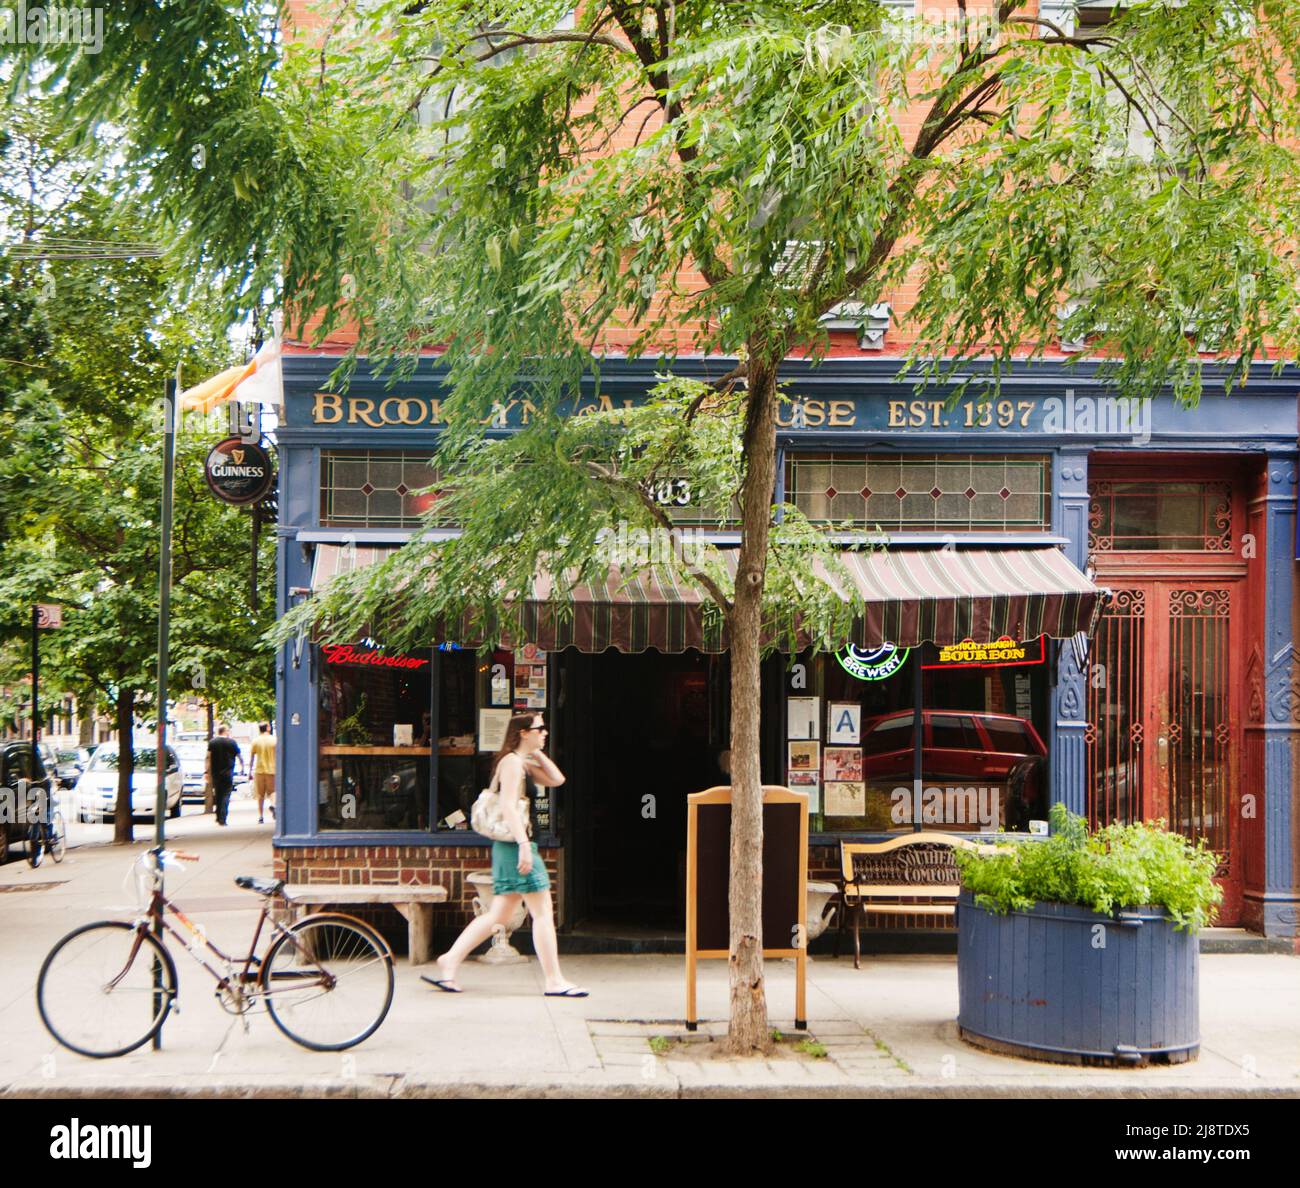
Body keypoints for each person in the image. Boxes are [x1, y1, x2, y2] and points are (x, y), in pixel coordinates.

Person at [423, 712, 587, 997]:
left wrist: (538, 753)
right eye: (540, 729)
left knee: (498, 914)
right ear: (523, 732)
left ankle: (449, 961)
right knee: (543, 913)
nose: (545, 732)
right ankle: (554, 980)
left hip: (512, 846)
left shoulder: (521, 762)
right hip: (516, 846)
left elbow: (558, 780)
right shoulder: (512, 763)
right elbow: (510, 807)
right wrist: (524, 845)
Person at [207, 725, 244, 827]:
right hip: (228, 773)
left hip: (216, 773)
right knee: (226, 795)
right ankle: (223, 817)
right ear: (226, 731)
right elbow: (240, 757)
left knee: (218, 794)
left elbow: (208, 757)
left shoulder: (212, 742)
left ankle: (218, 816)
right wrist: (242, 768)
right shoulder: (232, 742)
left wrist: (207, 772)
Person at [250, 722, 276, 825]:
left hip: (259, 770)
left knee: (260, 795)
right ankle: (274, 805)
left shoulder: (255, 741)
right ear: (268, 728)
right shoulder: (274, 740)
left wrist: (249, 771)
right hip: (272, 770)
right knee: (273, 792)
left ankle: (260, 816)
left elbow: (252, 757)